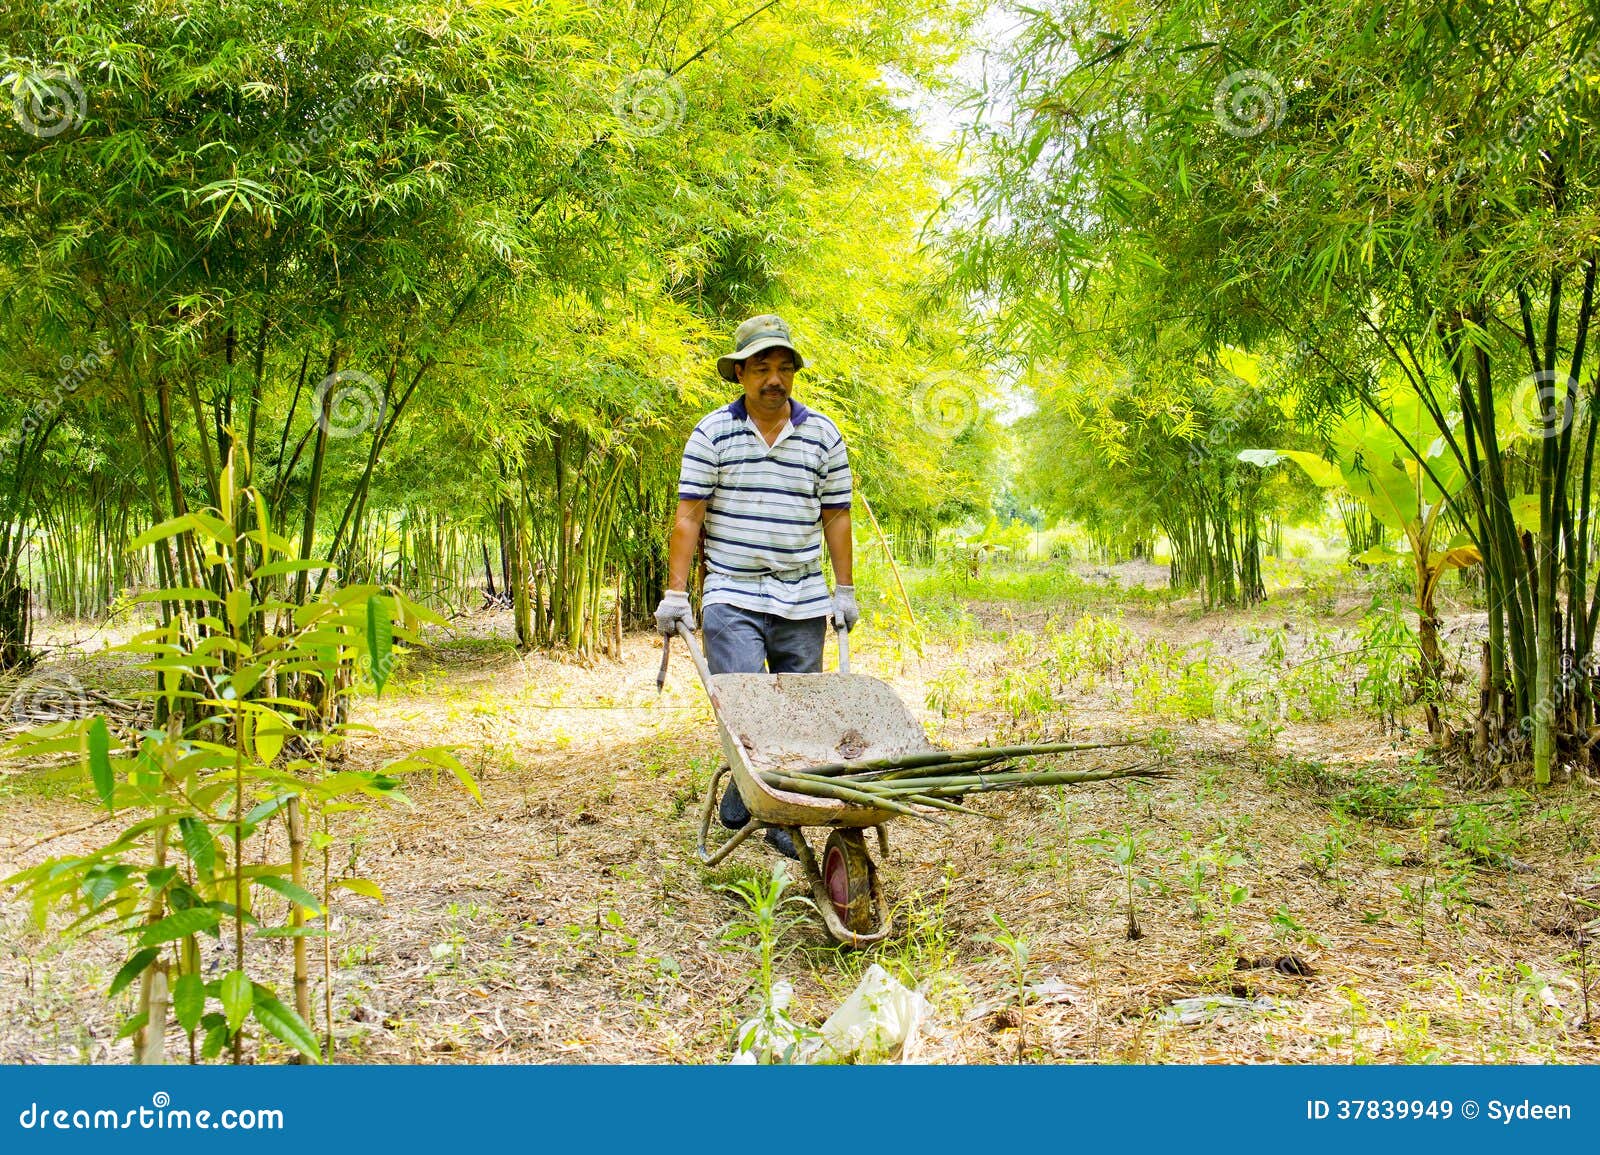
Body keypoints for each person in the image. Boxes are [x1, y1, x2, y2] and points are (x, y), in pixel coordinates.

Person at [654, 313, 859, 858]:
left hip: (802, 592)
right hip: (734, 591)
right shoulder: (712, 433)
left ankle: (767, 805)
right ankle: (762, 801)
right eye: (762, 367)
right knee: (745, 700)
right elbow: (690, 515)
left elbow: (836, 516)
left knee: (799, 709)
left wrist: (844, 589)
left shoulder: (822, 435)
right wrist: (676, 593)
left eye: (784, 367)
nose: (775, 378)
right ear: (740, 373)